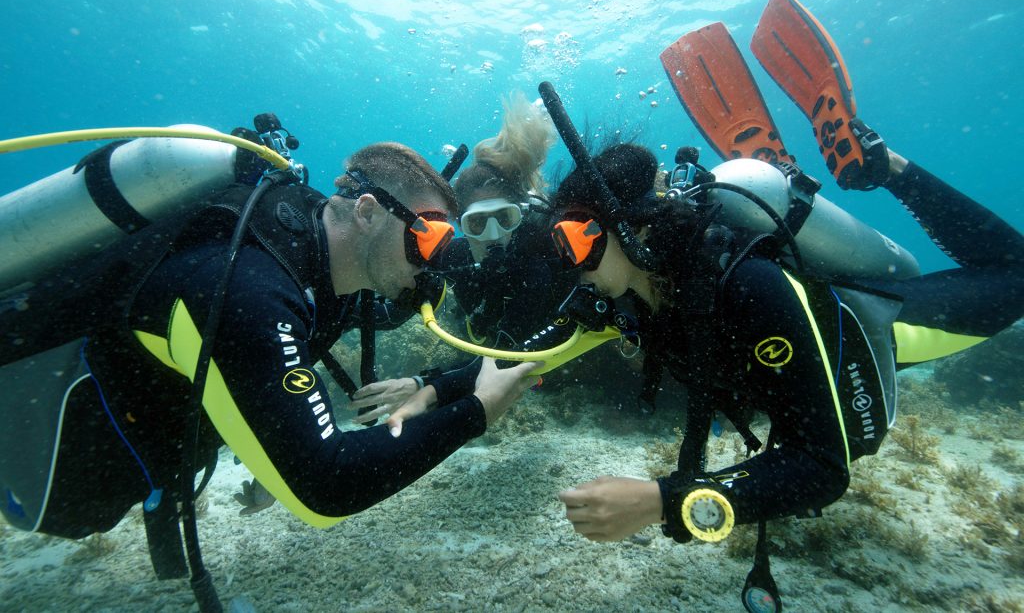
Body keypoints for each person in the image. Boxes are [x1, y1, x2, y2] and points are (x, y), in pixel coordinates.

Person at [0, 139, 540, 587]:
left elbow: (262, 379)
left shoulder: (319, 263)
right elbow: (324, 488)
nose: (430, 263)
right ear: (368, 211)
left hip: (126, 438)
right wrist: (476, 412)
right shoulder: (248, 286)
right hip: (38, 440)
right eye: (426, 237)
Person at [550, 135, 1024, 545]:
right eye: (559, 244)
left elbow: (821, 465)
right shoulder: (637, 294)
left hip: (881, 329)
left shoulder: (748, 285)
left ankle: (892, 168)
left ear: (634, 227)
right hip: (806, 319)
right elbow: (528, 359)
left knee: (1017, 274)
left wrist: (663, 502)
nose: (569, 262)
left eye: (576, 240)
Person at [348, 92, 576, 422]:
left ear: (521, 215)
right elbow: (393, 309)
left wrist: (423, 384)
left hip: (556, 360)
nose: (494, 234)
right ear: (461, 226)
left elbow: (505, 355)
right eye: (478, 223)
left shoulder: (536, 258)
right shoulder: (452, 256)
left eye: (505, 218)